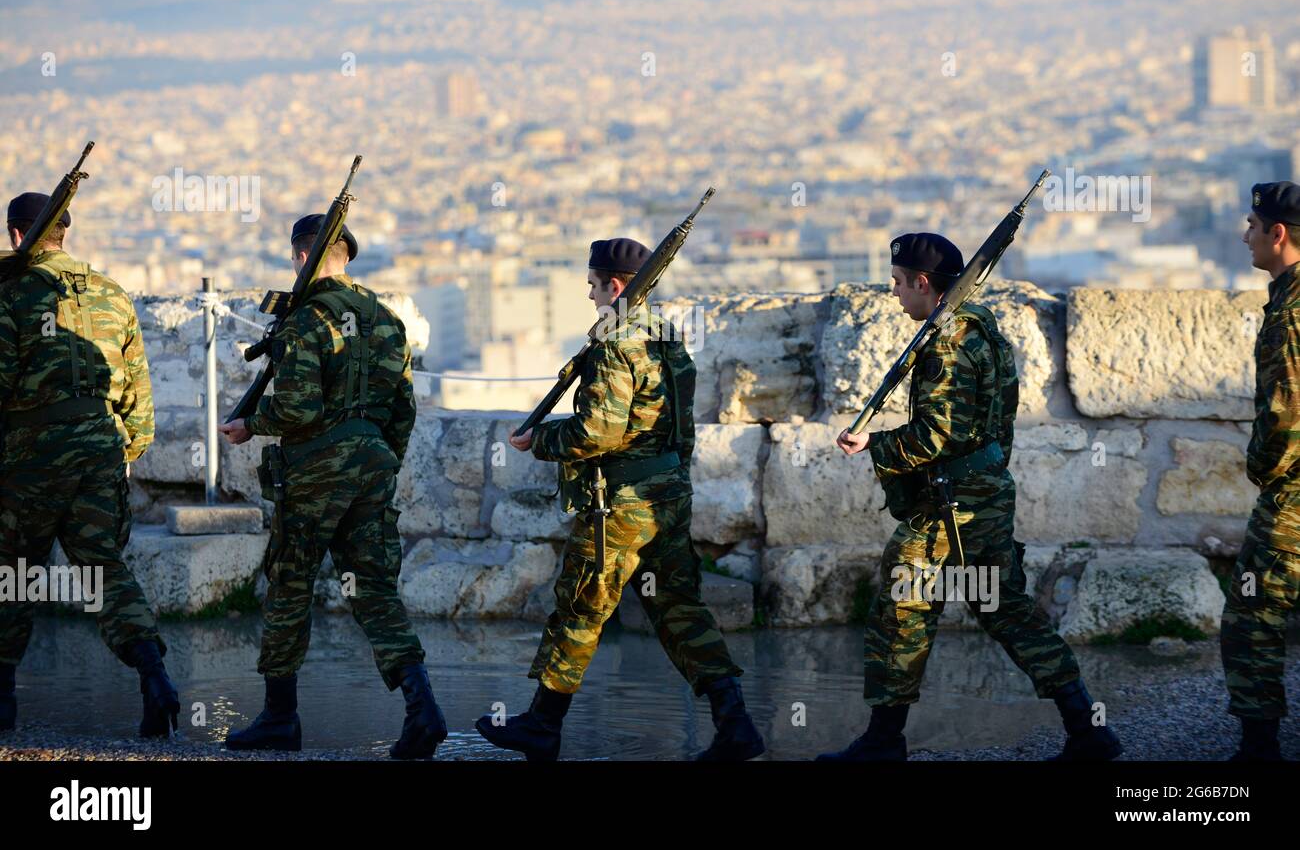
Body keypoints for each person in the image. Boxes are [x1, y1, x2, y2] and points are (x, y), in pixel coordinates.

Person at [818, 232, 1121, 761]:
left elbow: (941, 434)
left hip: (949, 506)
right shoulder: (982, 330)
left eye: (897, 283)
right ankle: (1088, 730)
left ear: (922, 282)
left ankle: (883, 741)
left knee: (902, 609)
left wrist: (874, 442)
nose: (893, 294)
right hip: (981, 495)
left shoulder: (950, 342)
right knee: (1006, 610)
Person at [475, 237, 764, 761]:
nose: (589, 296)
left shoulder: (614, 340)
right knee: (681, 609)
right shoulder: (668, 338)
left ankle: (542, 725)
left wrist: (537, 441)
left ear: (614, 285)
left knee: (581, 608)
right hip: (667, 496)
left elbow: (598, 433)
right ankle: (735, 722)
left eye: (591, 284)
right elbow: (679, 430)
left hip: (622, 505)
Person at [219, 213, 444, 758]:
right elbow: (403, 410)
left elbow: (299, 406)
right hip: (373, 465)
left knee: (290, 584)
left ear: (302, 256)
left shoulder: (305, 321)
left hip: (318, 469)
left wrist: (253, 423)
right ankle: (423, 707)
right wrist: (379, 459)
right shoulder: (388, 320)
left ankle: (279, 718)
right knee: (373, 589)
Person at [0, 191, 177, 737]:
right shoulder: (111, 293)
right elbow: (140, 405)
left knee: (13, 573)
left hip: (32, 455)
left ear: (15, 235)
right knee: (104, 571)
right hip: (101, 450)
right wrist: (120, 453)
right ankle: (155, 677)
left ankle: (3, 703)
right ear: (63, 234)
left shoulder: (12, 293)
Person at [1221, 181, 1300, 761]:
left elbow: (1287, 412)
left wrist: (1262, 469)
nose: (1245, 234)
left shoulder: (1291, 312)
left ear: (1278, 234)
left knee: (1252, 614)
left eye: (1252, 224)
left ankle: (1259, 750)